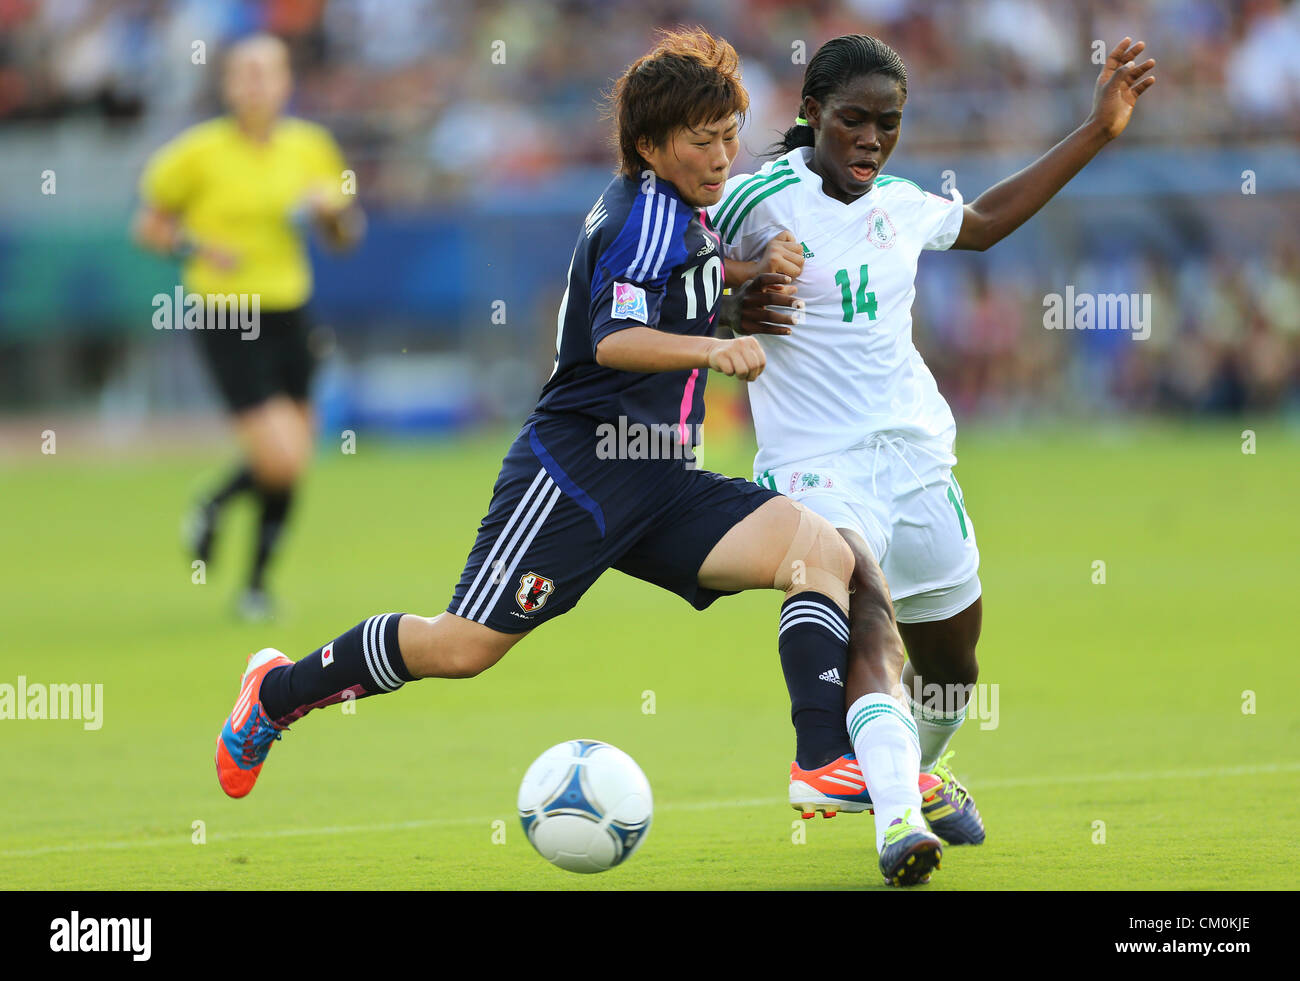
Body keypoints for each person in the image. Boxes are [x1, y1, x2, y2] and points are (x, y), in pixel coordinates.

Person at [211, 27, 946, 887]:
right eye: (701, 141)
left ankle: (821, 756)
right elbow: (615, 337)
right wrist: (714, 350)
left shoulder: (684, 205)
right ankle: (275, 692)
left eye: (728, 135)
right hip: (576, 478)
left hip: (661, 478)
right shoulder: (645, 216)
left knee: (819, 551)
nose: (720, 156)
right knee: (460, 647)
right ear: (649, 145)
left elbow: (689, 275)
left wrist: (744, 272)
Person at [711, 34, 1155, 847]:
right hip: (815, 468)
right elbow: (670, 276)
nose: (872, 140)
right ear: (812, 114)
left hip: (916, 462)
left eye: (889, 123)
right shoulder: (753, 201)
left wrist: (1099, 130)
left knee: (952, 670)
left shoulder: (901, 206)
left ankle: (912, 768)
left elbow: (983, 223)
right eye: (853, 121)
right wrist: (723, 311)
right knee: (867, 609)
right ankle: (898, 822)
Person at [132, 34, 364, 620]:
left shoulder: (310, 147)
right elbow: (150, 226)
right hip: (226, 312)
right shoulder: (195, 154)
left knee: (294, 457)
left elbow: (345, 239)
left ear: (287, 82)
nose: (256, 83)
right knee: (281, 455)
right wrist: (195, 244)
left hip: (290, 311)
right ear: (228, 84)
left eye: (268, 72)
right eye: (245, 73)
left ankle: (250, 573)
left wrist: (333, 213)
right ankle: (226, 524)